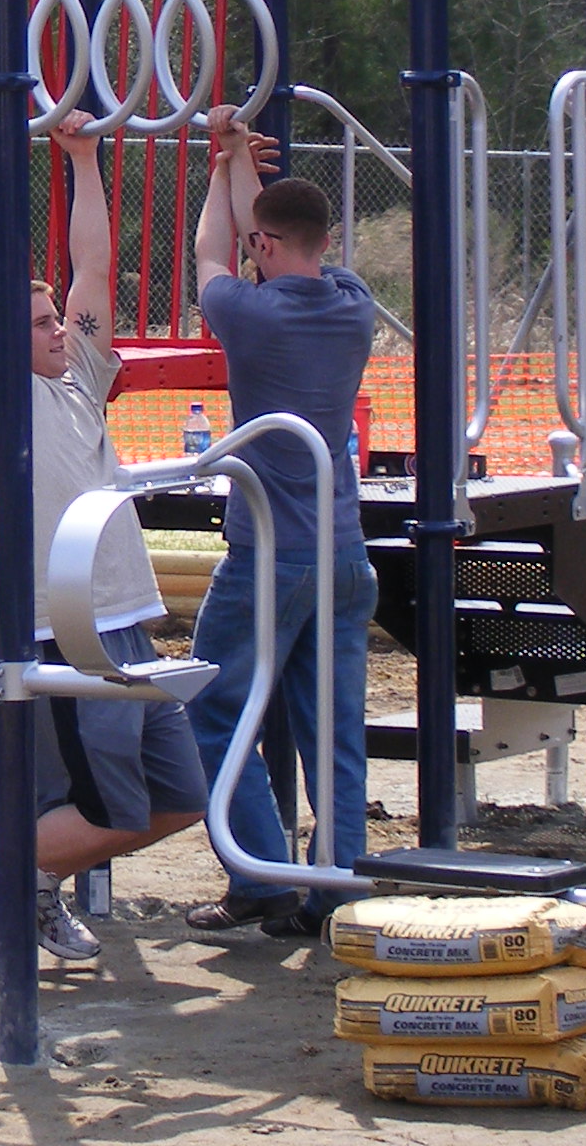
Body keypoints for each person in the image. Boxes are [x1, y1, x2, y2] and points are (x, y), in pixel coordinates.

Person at [0, 116, 205, 966]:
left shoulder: (81, 379)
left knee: (179, 799)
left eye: (58, 320)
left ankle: (29, 884)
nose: (57, 329)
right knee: (110, 805)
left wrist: (83, 158)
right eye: (41, 321)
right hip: (68, 625)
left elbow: (93, 266)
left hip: (127, 616)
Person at [181, 108, 378, 934]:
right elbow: (261, 242)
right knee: (332, 728)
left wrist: (224, 171)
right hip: (342, 554)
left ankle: (261, 873)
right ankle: (338, 890)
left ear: (262, 247)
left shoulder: (249, 317)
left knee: (208, 704)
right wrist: (240, 163)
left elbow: (206, 255)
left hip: (268, 555)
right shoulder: (354, 305)